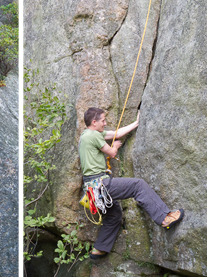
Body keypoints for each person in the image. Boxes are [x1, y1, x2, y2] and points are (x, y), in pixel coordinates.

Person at [79, 107, 184, 260]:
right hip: (100, 184)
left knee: (114, 215)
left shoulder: (87, 135)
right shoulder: (93, 136)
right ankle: (164, 218)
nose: (105, 123)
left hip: (92, 190)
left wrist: (136, 123)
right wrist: (114, 147)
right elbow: (112, 153)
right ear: (94, 122)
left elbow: (117, 133)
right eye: (103, 120)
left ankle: (99, 248)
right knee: (137, 185)